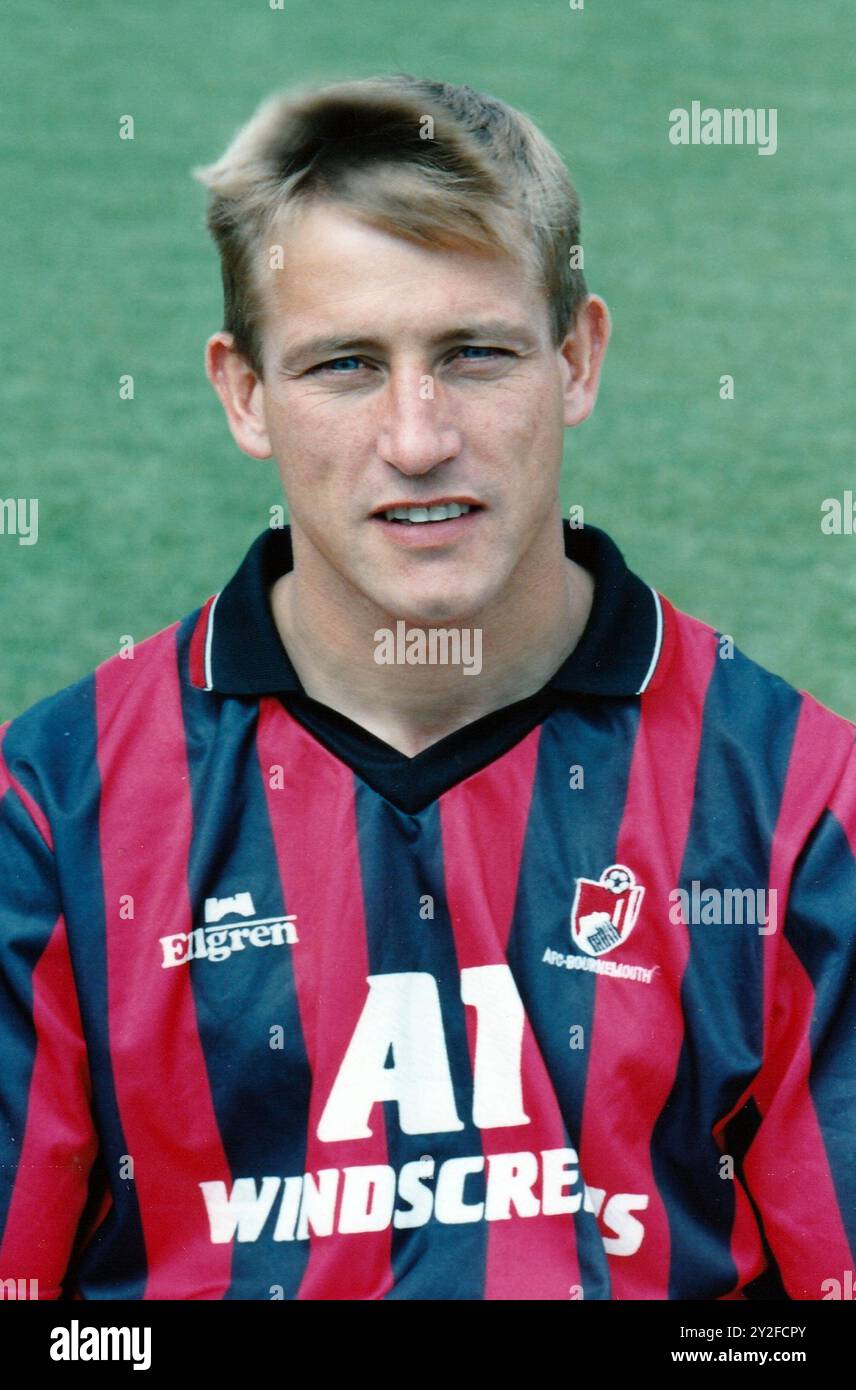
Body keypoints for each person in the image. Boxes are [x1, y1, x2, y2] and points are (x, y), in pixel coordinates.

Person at [0, 74, 853, 1302]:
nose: (416, 437)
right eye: (345, 365)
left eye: (474, 352)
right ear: (245, 393)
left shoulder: (797, 808)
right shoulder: (53, 815)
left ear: (576, 358)